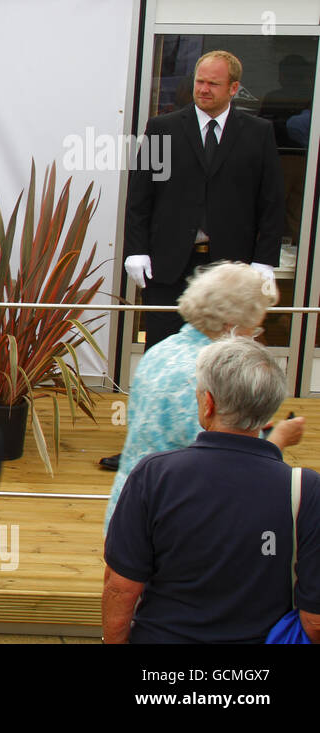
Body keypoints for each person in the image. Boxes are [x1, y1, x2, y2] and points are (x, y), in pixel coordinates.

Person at [103, 336, 320, 644]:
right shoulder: (306, 490)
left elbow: (120, 586)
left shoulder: (155, 475)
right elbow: (314, 621)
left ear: (209, 403)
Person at [103, 261, 302, 531]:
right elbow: (227, 467)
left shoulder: (161, 351)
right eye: (254, 329)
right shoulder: (208, 373)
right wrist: (278, 439)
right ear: (230, 325)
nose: (255, 338)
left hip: (128, 505)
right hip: (172, 520)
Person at [123, 49, 285, 350]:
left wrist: (265, 259)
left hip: (230, 265)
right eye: (200, 82)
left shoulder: (258, 133)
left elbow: (272, 202)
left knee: (223, 350)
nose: (203, 89)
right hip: (168, 263)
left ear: (233, 88)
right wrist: (137, 250)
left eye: (213, 83)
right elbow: (140, 197)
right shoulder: (163, 129)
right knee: (163, 345)